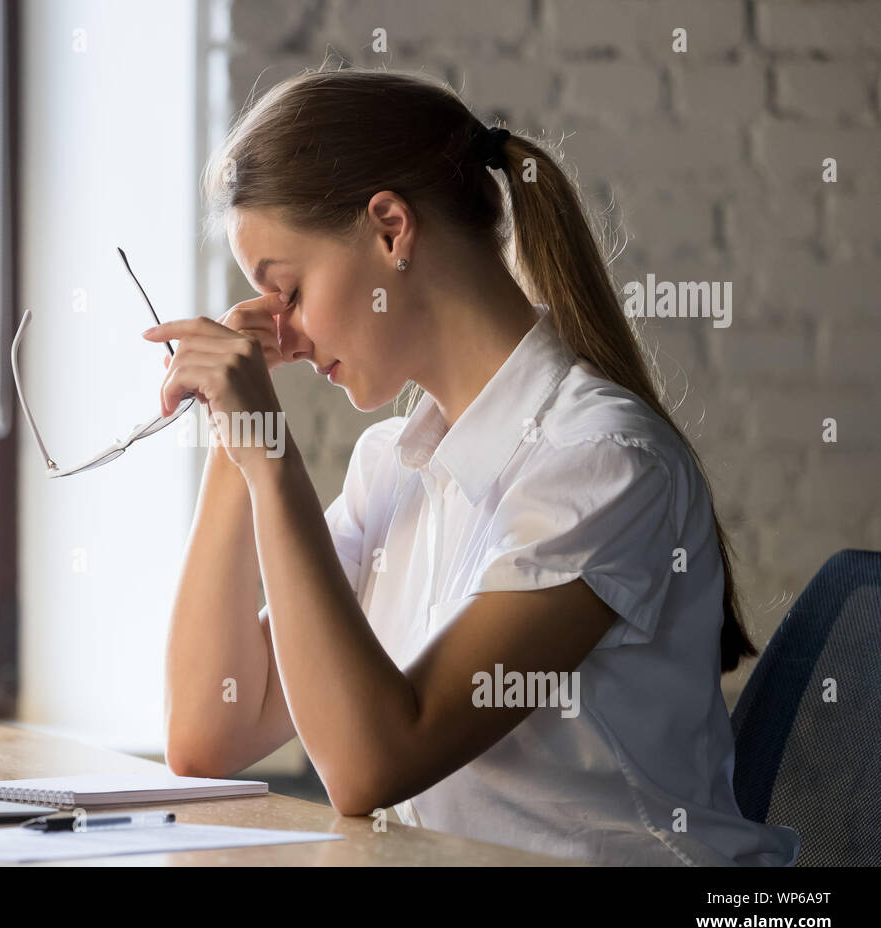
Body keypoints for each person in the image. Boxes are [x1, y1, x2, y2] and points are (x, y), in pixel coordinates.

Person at [144, 66, 799, 866]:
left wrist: (272, 459)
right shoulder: (392, 466)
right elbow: (208, 731)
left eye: (289, 290)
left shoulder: (598, 463)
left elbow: (370, 765)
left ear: (390, 228)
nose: (286, 332)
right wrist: (231, 441)